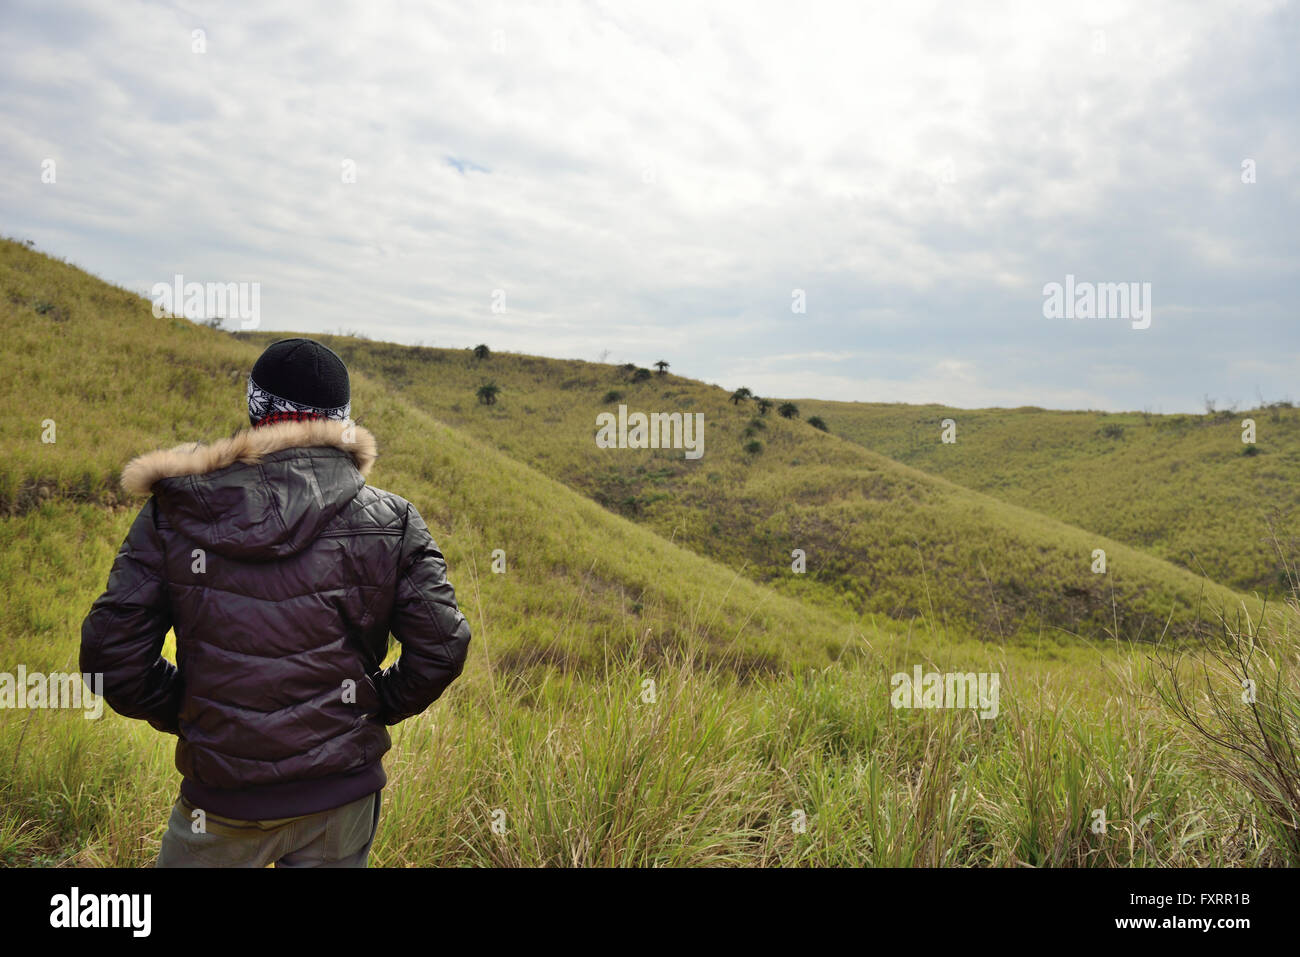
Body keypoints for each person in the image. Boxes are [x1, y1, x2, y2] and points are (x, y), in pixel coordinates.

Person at [80, 337, 471, 867]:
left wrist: (197, 714)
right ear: (341, 421)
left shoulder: (176, 510)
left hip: (218, 802)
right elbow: (443, 648)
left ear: (255, 409)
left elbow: (110, 655)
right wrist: (368, 706)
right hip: (339, 797)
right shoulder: (393, 520)